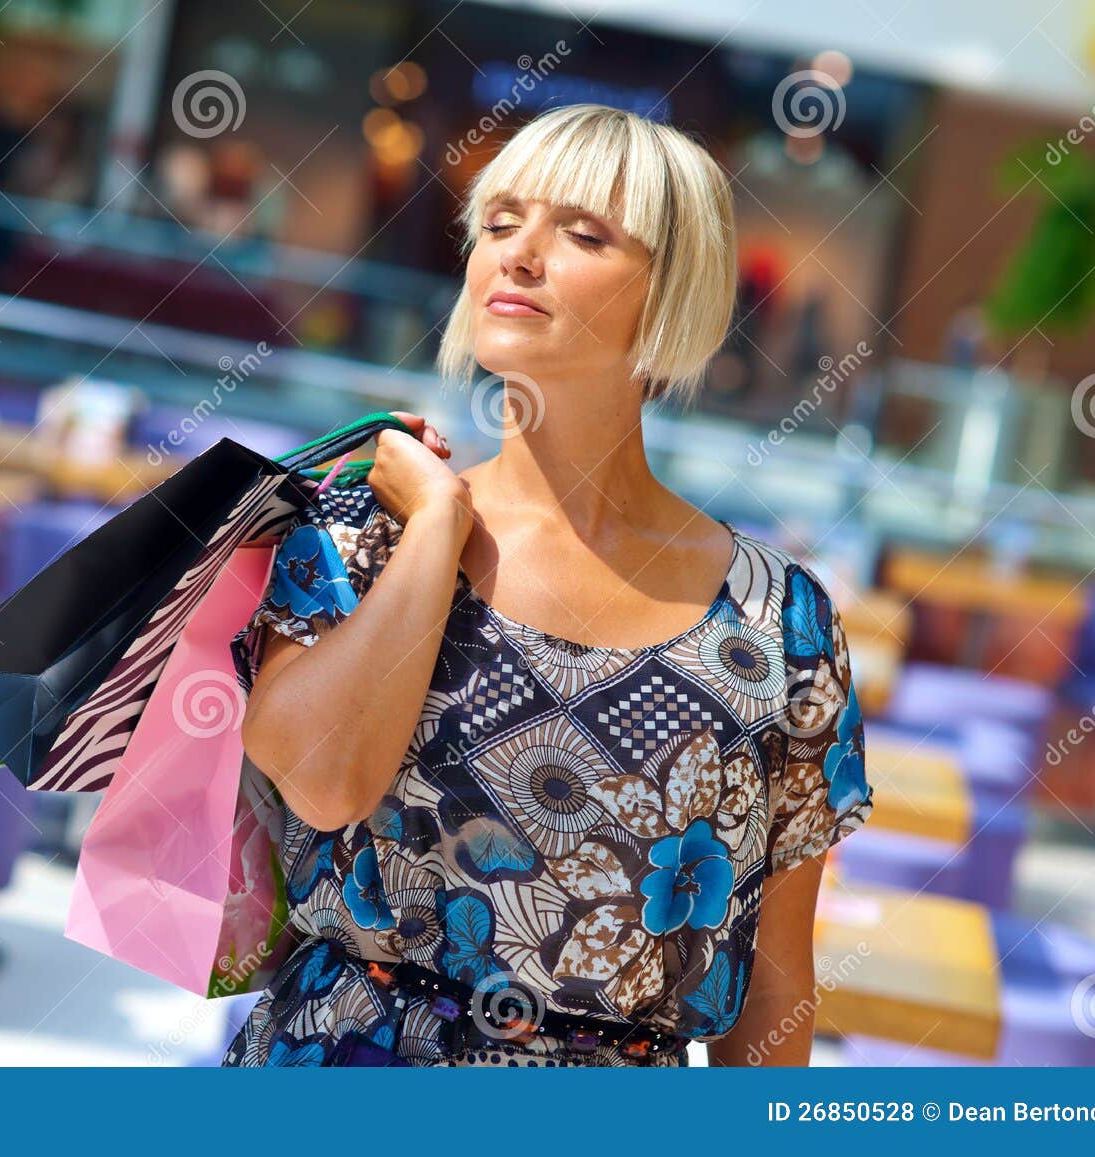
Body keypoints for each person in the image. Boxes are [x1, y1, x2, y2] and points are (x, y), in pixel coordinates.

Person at [219, 104, 873, 1067]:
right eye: (499, 222)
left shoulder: (784, 623)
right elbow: (320, 781)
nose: (518, 254)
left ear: (671, 290)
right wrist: (436, 530)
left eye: (582, 234)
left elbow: (775, 987)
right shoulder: (370, 527)